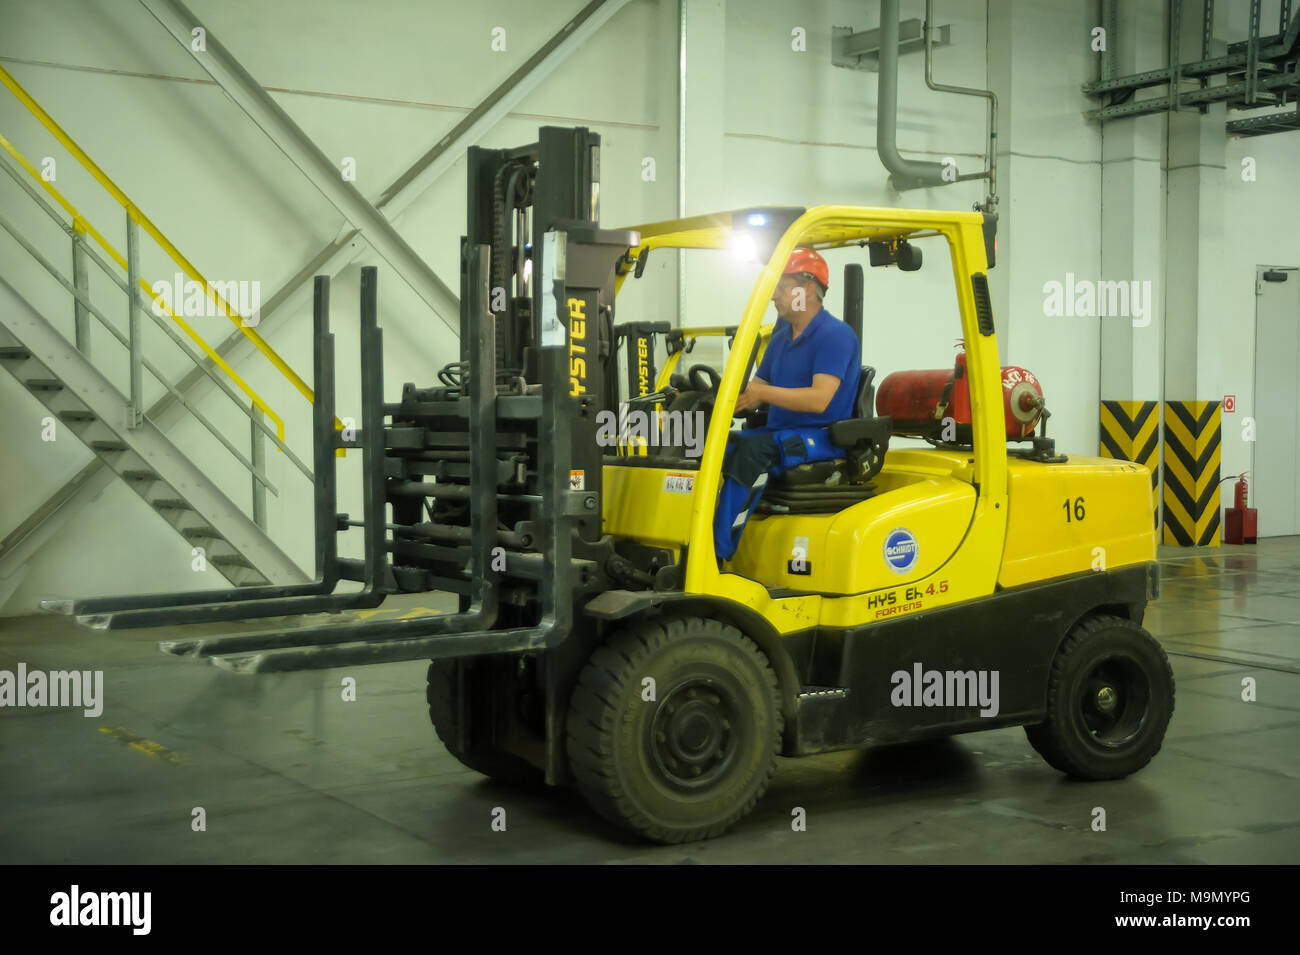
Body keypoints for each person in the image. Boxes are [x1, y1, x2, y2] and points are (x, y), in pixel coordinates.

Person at [714, 248, 861, 561]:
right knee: (720, 446)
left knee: (753, 452)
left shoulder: (836, 335)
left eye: (780, 288)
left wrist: (762, 395)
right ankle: (695, 534)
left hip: (820, 437)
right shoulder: (781, 337)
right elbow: (760, 386)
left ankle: (716, 552)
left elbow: (819, 399)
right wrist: (727, 399)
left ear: (807, 289)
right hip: (779, 432)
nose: (773, 297)